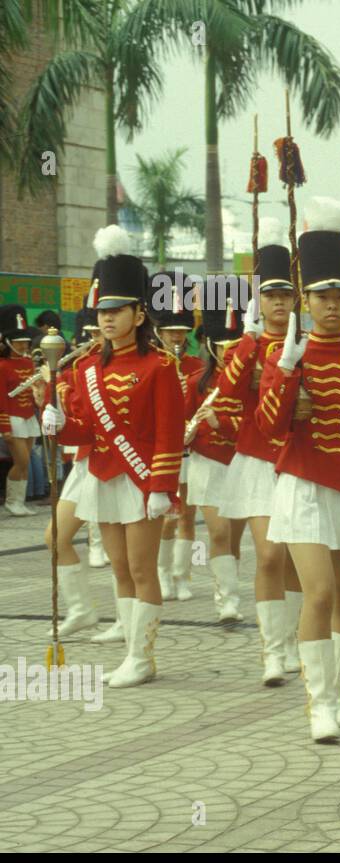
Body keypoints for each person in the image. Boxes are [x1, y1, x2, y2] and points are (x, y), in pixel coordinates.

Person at [43, 225, 185, 688]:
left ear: (139, 313)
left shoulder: (160, 365)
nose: (106, 318)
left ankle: (143, 657)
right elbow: (88, 428)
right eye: (102, 310)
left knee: (143, 567)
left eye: (116, 310)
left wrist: (163, 487)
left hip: (142, 480)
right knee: (121, 567)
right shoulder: (86, 368)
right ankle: (131, 651)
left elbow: (169, 432)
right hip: (105, 474)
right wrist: (60, 422)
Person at [258, 200, 340, 736]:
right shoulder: (289, 356)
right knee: (319, 592)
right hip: (304, 485)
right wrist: (285, 375)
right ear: (304, 300)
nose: (332, 305)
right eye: (322, 296)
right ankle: (320, 702)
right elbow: (266, 430)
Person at [214, 221, 303, 670]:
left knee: (294, 560)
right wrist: (249, 342)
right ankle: (272, 652)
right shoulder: (243, 346)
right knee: (269, 554)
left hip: (302, 461)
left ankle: (291, 642)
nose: (279, 303)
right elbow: (227, 395)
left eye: (286, 295)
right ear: (259, 301)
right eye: (270, 295)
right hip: (256, 459)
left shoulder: (309, 344)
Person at [180, 279, 250, 631]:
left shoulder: (253, 380)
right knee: (219, 532)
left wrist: (223, 422)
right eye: (221, 345)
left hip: (240, 463)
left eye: (234, 345)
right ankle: (227, 602)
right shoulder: (196, 382)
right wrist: (189, 432)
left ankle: (228, 589)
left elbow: (259, 425)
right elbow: (181, 426)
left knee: (234, 537)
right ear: (210, 344)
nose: (228, 352)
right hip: (207, 463)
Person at [41, 304, 102, 641]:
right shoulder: (77, 368)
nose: (92, 339)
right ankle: (81, 609)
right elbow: (67, 424)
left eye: (97, 334)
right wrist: (46, 397)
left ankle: (131, 623)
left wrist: (60, 389)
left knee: (124, 557)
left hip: (116, 464)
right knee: (54, 538)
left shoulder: (105, 368)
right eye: (88, 334)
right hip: (85, 463)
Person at [152, 279, 204, 602]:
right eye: (170, 329)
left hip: (192, 449)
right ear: (158, 330)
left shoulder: (197, 365)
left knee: (188, 515)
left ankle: (182, 574)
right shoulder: (154, 364)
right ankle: (162, 574)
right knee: (167, 516)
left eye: (181, 330)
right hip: (164, 451)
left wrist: (196, 425)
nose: (176, 335)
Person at [0, 305, 40, 516]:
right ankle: (11, 501)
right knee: (21, 461)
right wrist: (5, 427)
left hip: (28, 417)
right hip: (12, 418)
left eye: (25, 341)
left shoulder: (28, 362)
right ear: (8, 342)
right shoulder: (2, 365)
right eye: (19, 341)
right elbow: (1, 400)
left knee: (25, 463)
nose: (24, 344)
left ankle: (19, 502)